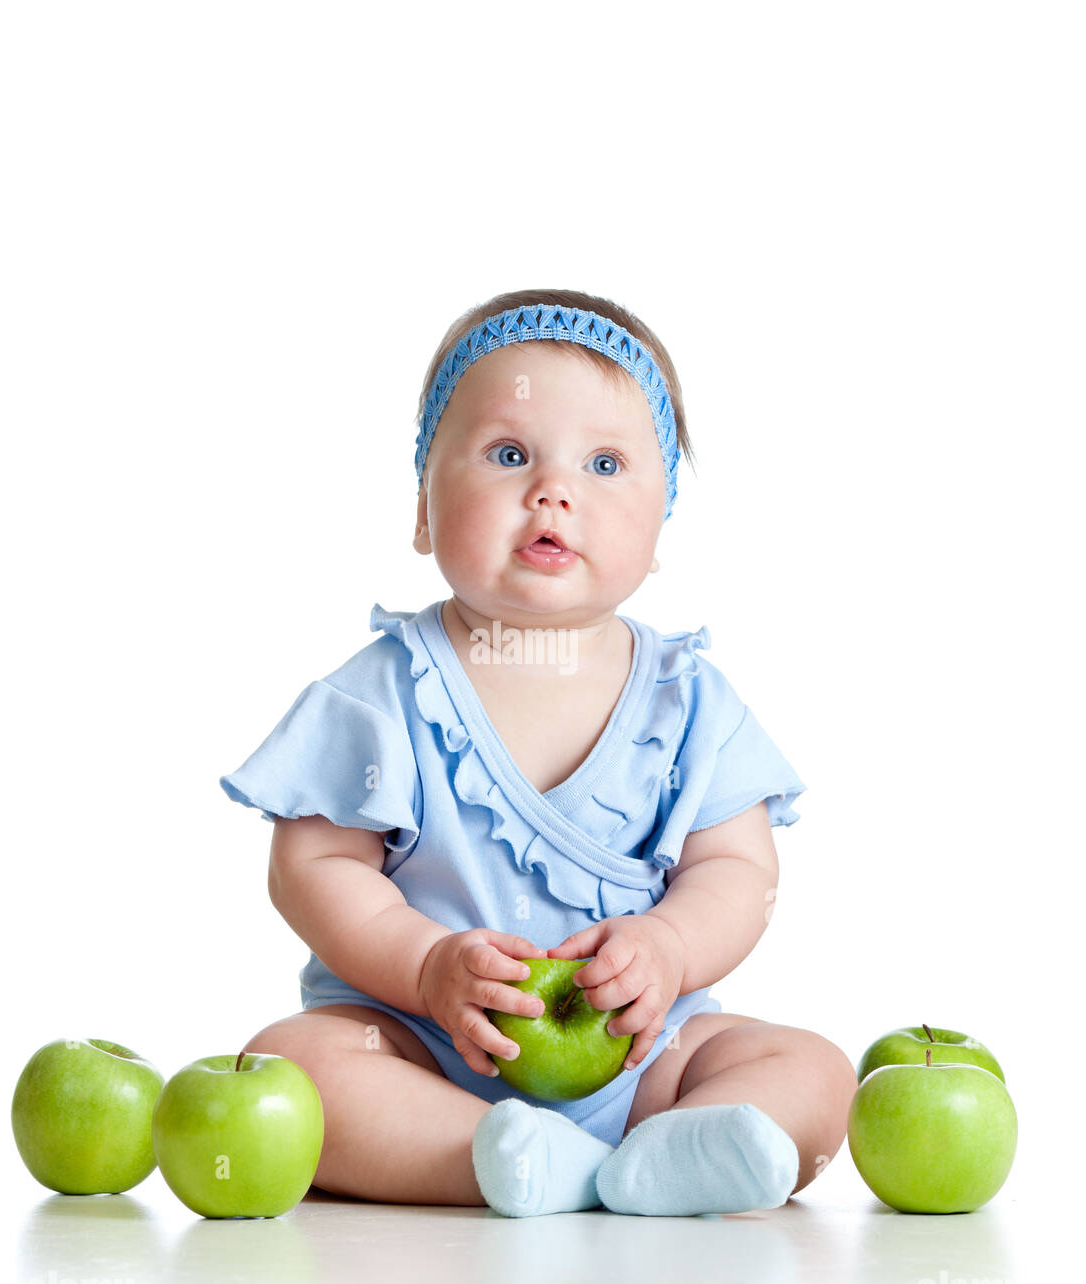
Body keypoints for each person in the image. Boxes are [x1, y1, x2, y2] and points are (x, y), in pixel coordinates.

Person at [220, 290, 858, 1217]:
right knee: (294, 1064)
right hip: (417, 1050)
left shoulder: (691, 702)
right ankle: (489, 1156)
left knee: (814, 1071)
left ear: (662, 519)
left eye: (606, 463)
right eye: (509, 454)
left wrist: (668, 947)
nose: (554, 491)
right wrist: (426, 967)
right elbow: (312, 867)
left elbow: (738, 869)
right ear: (424, 511)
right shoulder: (381, 695)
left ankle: (690, 1146)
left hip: (645, 1060)